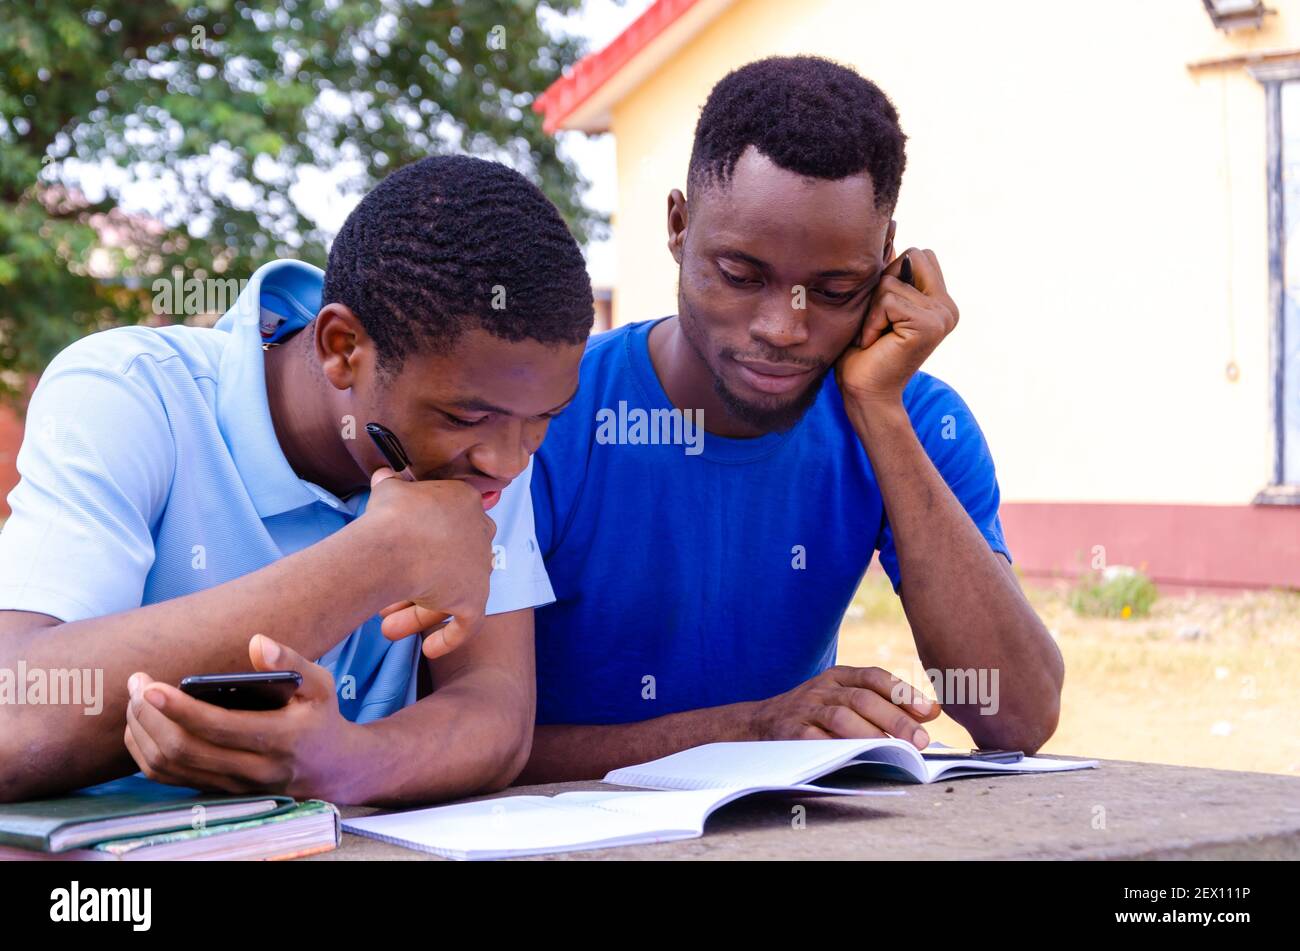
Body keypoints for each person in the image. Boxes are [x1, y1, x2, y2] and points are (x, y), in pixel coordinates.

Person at [519, 56, 1064, 781]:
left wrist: (878, 411)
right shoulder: (541, 411)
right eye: (742, 275)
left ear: (885, 265)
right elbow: (466, 740)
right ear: (679, 226)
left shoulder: (918, 421)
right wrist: (749, 729)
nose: (783, 326)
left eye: (836, 288)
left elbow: (1017, 714)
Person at [0, 155, 592, 804]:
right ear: (343, 348)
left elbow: (497, 711)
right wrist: (385, 555)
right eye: (465, 416)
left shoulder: (481, 443)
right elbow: (15, 717)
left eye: (542, 421)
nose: (508, 461)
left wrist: (346, 762)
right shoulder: (130, 392)